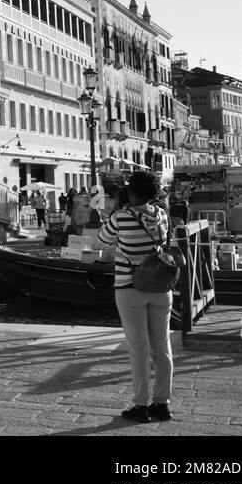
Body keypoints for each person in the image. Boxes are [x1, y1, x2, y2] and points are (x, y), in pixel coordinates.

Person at [97, 170, 179, 424]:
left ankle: (141, 405)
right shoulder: (161, 215)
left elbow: (102, 239)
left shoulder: (121, 217)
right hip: (160, 288)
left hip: (129, 288)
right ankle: (162, 404)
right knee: (162, 348)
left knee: (139, 349)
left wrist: (118, 210)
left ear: (131, 192)